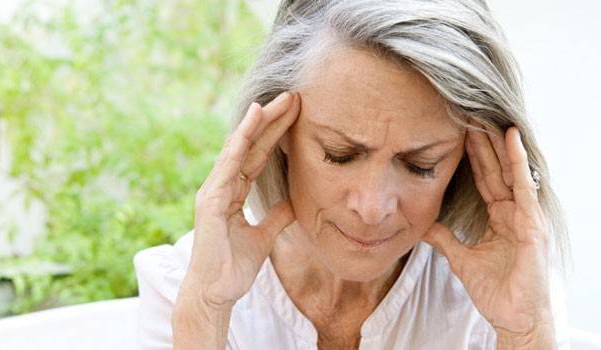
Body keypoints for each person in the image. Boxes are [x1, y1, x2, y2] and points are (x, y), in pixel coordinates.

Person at [133, 0, 570, 349]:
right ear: (276, 130)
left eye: (421, 165)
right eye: (340, 154)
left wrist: (525, 334)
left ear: (468, 158)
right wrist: (206, 313)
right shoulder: (183, 285)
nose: (372, 208)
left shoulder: (502, 293)